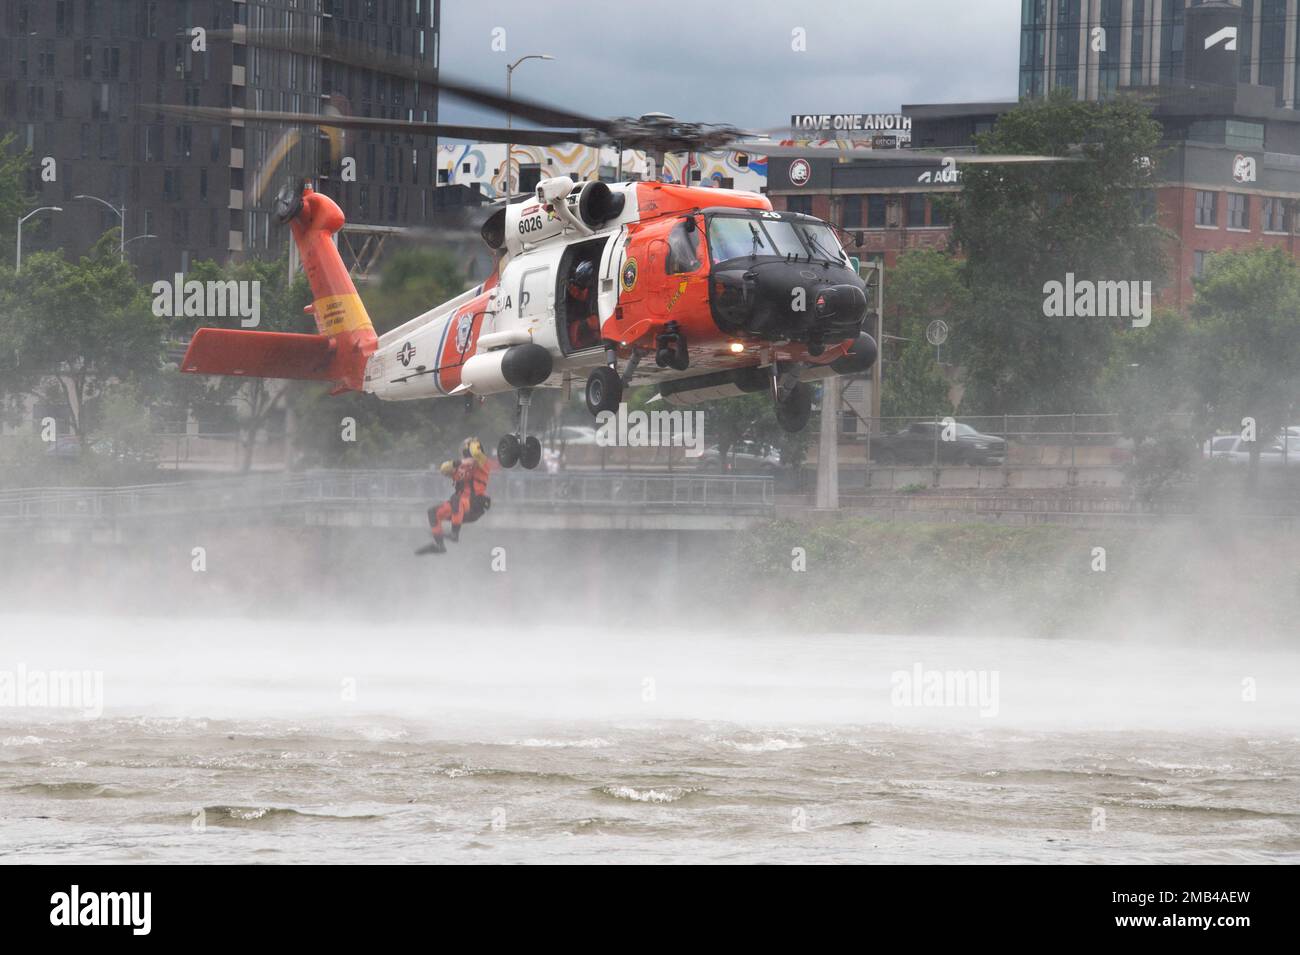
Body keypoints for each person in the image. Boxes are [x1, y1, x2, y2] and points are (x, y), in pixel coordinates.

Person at [416, 437, 493, 556]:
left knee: (455, 499)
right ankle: (439, 545)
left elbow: (477, 453)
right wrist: (461, 462)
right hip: (459, 506)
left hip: (475, 504)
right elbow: (443, 468)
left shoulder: (482, 463)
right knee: (432, 512)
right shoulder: (461, 467)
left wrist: (472, 441)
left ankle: (454, 533)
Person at [566, 260, 600, 350]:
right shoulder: (590, 290)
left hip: (598, 321)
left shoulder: (594, 291)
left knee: (576, 327)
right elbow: (581, 295)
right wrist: (569, 286)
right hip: (596, 320)